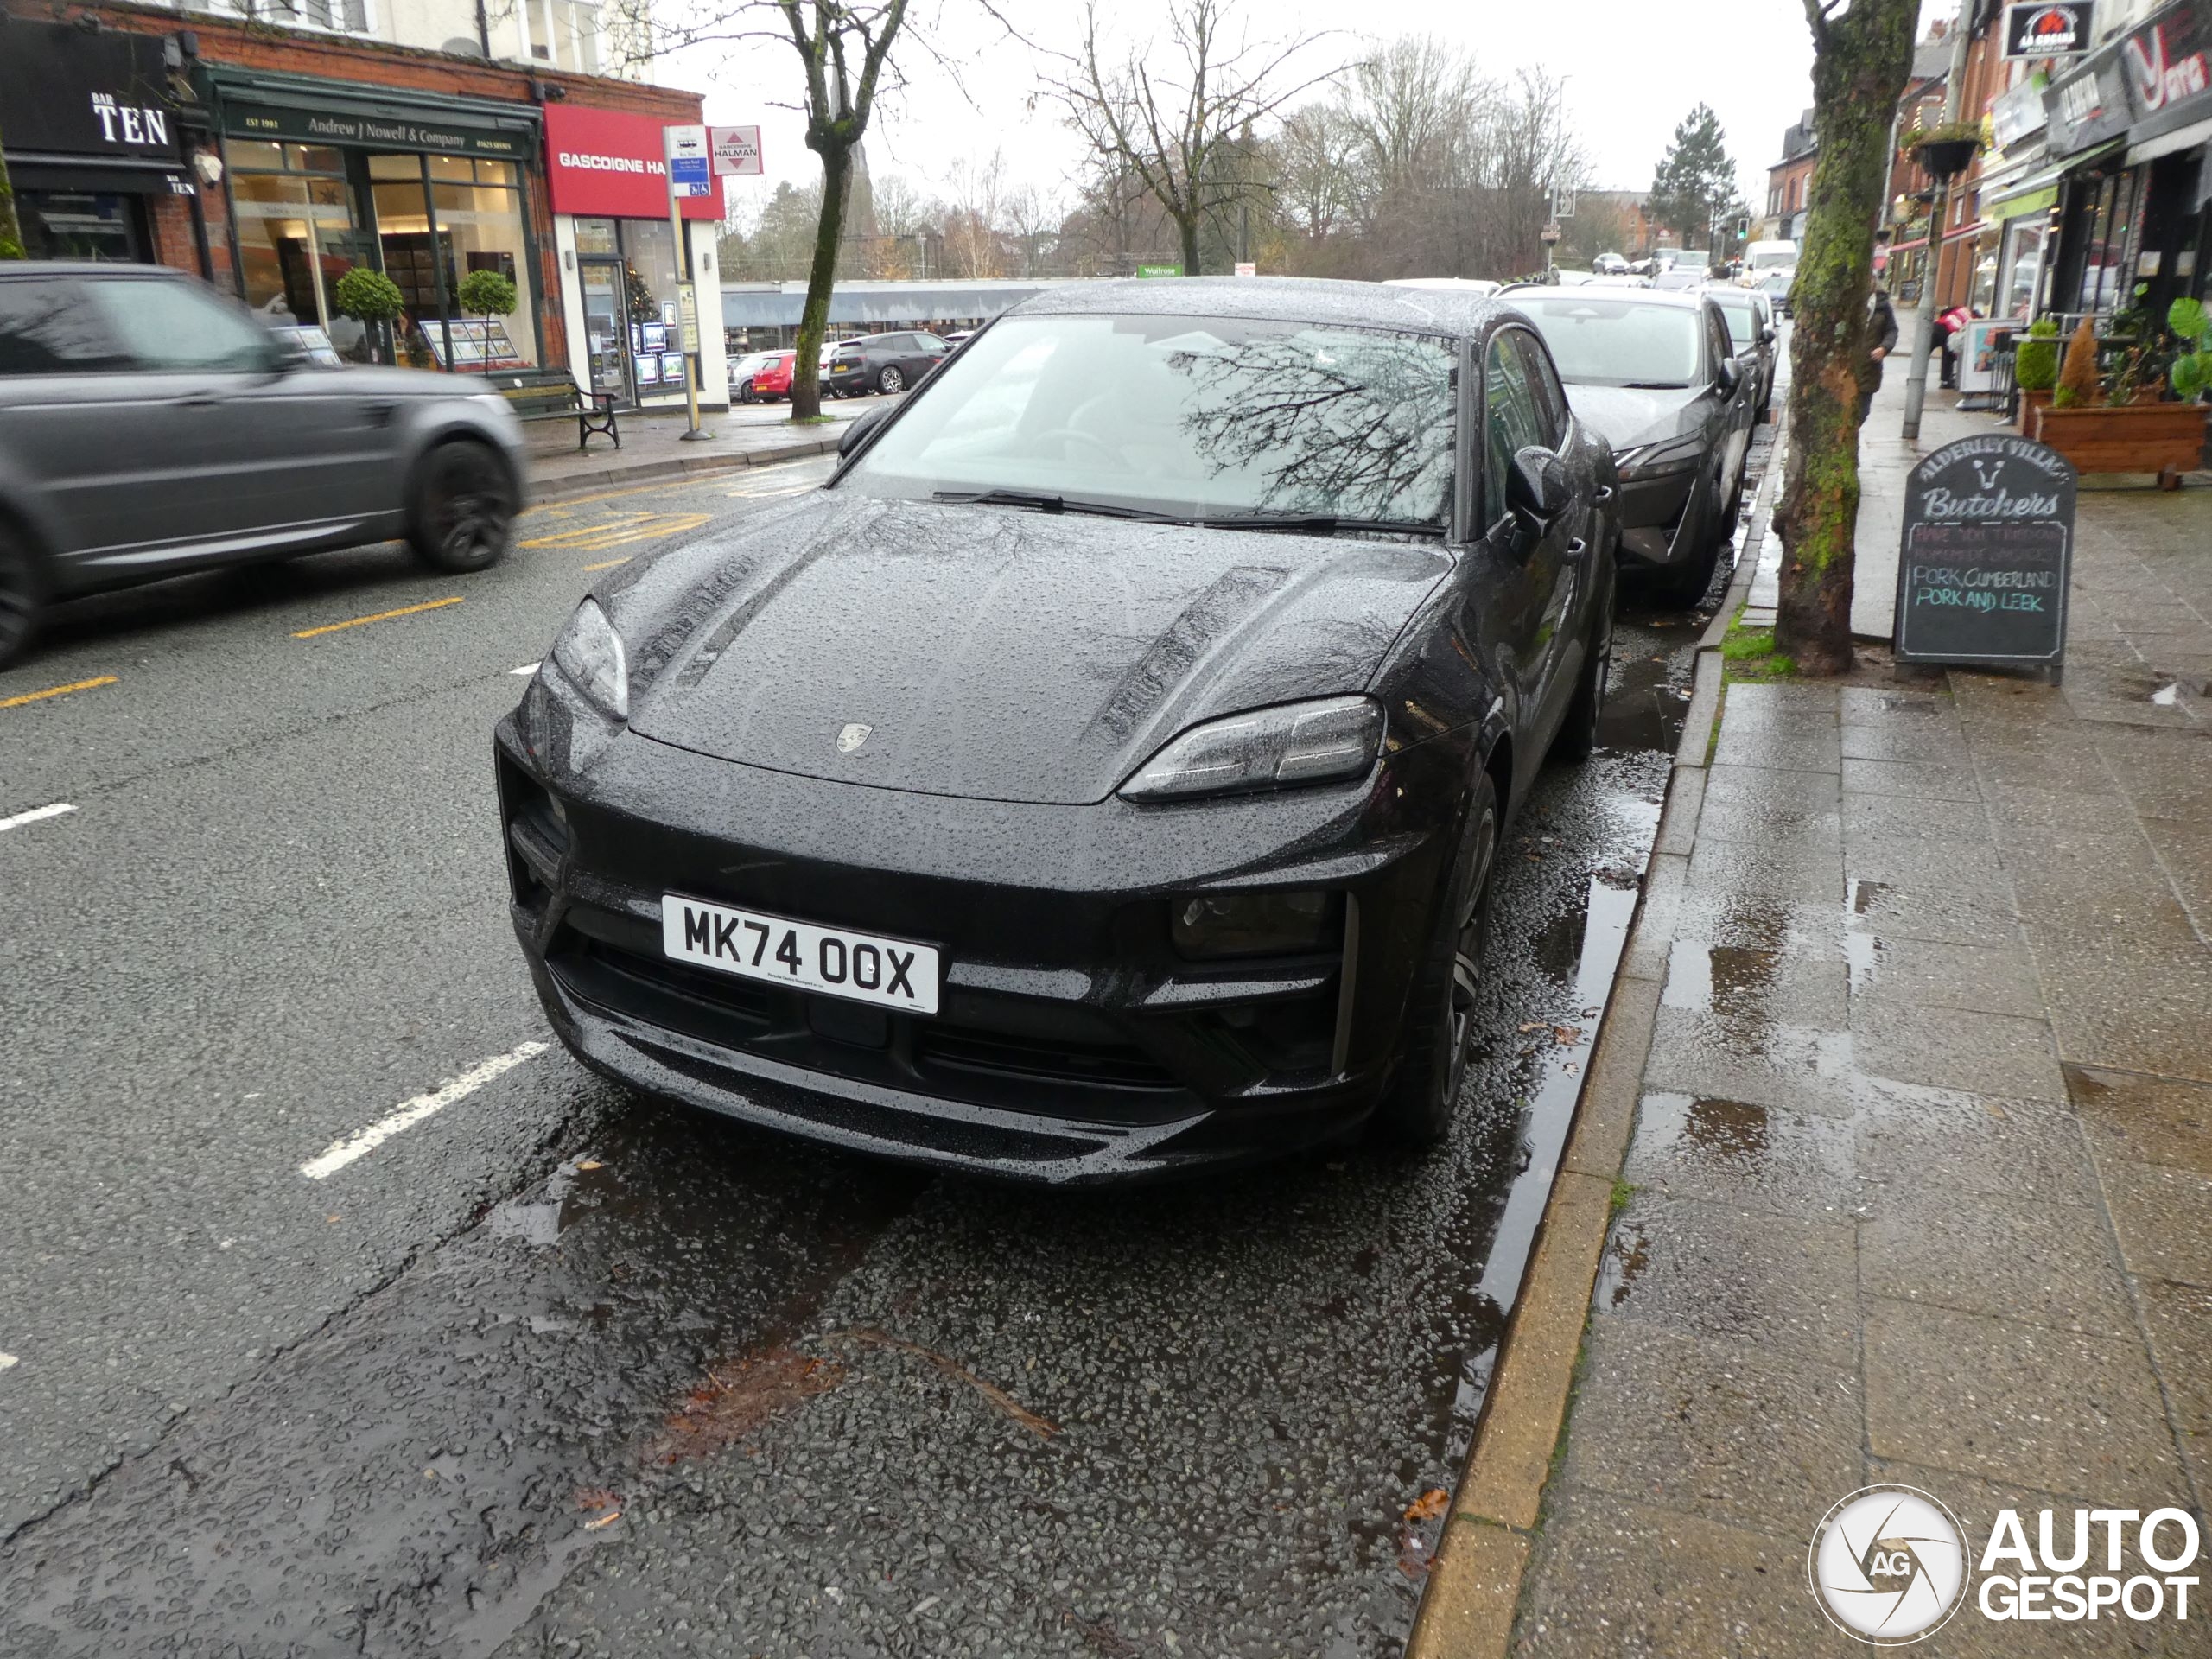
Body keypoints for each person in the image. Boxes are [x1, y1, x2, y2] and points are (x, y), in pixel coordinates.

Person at [1858, 283, 1899, 425]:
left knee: (1862, 413)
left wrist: (1884, 347)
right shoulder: (1849, 301)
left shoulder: (1882, 305)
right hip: (1846, 369)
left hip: (1869, 367)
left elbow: (1891, 330)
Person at [1938, 302, 1974, 390]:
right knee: (1948, 357)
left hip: (1937, 327)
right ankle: (1946, 381)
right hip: (1947, 332)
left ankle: (1915, 378)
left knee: (1924, 355)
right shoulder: (1970, 317)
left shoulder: (1956, 312)